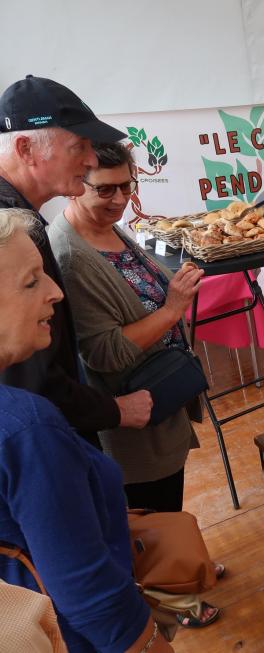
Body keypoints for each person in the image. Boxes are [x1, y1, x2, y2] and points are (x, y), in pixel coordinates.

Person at [0, 208, 173, 652]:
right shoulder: (27, 429)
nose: (55, 292)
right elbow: (91, 595)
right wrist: (151, 643)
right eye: (31, 282)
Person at [49, 141, 203, 515]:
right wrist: (172, 309)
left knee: (167, 508)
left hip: (160, 405)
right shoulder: (71, 258)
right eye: (105, 189)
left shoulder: (107, 228)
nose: (120, 199)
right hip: (134, 431)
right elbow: (104, 353)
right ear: (74, 185)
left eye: (126, 185)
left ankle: (173, 550)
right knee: (152, 520)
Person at [0, 75, 152, 448]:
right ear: (25, 148)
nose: (91, 159)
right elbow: (28, 375)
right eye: (78, 146)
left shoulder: (24, 216)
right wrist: (114, 411)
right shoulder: (10, 232)